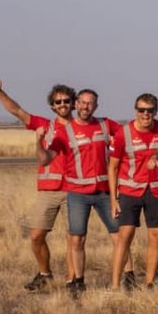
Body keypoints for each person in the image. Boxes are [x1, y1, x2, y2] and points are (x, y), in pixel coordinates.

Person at [0, 79, 74, 290]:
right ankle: (45, 274)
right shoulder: (45, 126)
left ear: (73, 102)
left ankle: (73, 282)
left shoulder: (83, 128)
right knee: (36, 236)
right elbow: (16, 110)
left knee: (74, 240)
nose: (62, 104)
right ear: (52, 106)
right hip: (48, 191)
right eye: (58, 102)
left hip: (74, 190)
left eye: (66, 100)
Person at [44, 89, 122, 296]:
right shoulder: (65, 130)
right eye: (82, 102)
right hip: (77, 194)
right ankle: (78, 282)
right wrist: (38, 143)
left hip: (104, 192)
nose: (85, 107)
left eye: (90, 103)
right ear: (75, 104)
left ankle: (126, 277)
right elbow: (47, 158)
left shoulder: (106, 125)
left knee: (119, 236)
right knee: (77, 239)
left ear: (96, 106)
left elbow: (127, 137)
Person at [107, 93, 158, 289]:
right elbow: (112, 167)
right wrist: (114, 199)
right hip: (130, 191)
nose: (146, 114)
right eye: (141, 110)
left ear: (156, 111)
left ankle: (149, 282)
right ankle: (114, 285)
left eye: (150, 110)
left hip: (157, 191)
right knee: (125, 235)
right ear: (135, 111)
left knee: (156, 235)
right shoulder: (123, 133)